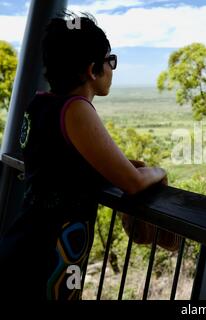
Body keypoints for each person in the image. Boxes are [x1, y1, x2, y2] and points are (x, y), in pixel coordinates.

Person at [0, 13, 178, 300]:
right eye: (111, 60)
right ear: (92, 69)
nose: (112, 68)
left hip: (27, 244)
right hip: (46, 255)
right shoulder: (76, 109)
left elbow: (60, 163)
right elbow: (132, 182)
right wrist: (159, 171)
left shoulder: (41, 104)